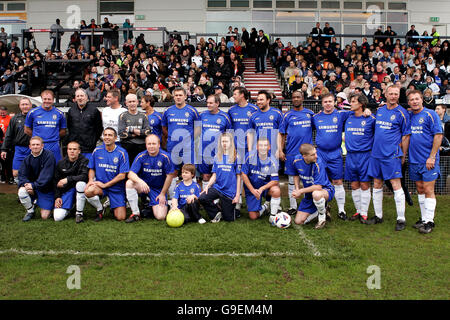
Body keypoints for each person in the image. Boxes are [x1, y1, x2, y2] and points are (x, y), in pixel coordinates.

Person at [367, 85, 410, 231]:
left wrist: (403, 155)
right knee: (377, 183)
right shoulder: (379, 110)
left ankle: (401, 218)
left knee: (396, 184)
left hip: (391, 155)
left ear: (399, 95)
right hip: (376, 154)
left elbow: (406, 136)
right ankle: (378, 216)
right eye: (391, 93)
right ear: (385, 94)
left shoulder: (402, 113)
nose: (393, 96)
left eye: (396, 94)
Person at [312, 93, 355, 220]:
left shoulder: (341, 114)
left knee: (337, 181)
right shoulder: (316, 117)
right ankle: (323, 207)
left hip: (335, 153)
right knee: (321, 182)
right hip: (320, 154)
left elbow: (356, 111)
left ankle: (341, 210)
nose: (328, 104)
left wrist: (367, 110)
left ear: (334, 102)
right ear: (322, 103)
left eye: (330, 101)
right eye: (325, 102)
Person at [407, 90, 443, 234]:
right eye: (411, 100)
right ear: (408, 102)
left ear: (422, 100)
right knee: (420, 189)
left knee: (428, 189)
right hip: (414, 160)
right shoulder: (409, 116)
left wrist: (432, 156)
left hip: (428, 160)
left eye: (417, 99)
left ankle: (430, 221)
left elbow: (438, 135)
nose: (414, 101)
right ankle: (423, 218)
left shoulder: (430, 114)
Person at [277, 90, 315, 215]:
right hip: (292, 153)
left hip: (307, 155)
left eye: (298, 97)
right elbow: (282, 134)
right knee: (292, 181)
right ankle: (293, 206)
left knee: (307, 180)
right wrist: (281, 150)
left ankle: (308, 204)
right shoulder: (287, 115)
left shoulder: (310, 114)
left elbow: (319, 128)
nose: (296, 99)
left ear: (302, 98)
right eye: (294, 97)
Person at [125, 134, 175, 222]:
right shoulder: (141, 156)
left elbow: (169, 176)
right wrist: (140, 181)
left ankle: (166, 204)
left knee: (160, 216)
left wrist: (163, 194)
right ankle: (136, 213)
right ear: (146, 145)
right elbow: (130, 174)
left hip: (158, 189)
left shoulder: (165, 157)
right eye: (149, 144)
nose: (151, 146)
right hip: (144, 187)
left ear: (159, 145)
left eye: (153, 144)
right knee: (129, 183)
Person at [161, 87, 200, 197]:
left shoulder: (192, 111)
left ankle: (193, 198)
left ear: (185, 96)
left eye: (180, 95)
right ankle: (173, 198)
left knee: (190, 173)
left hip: (188, 149)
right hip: (173, 148)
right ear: (173, 97)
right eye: (176, 95)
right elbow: (164, 127)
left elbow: (198, 128)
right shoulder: (168, 111)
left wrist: (192, 140)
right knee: (173, 173)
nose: (178, 97)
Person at [84, 127, 129, 221]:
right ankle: (100, 208)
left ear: (115, 138)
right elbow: (91, 168)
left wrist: (106, 185)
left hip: (116, 188)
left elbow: (122, 175)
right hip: (100, 186)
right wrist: (91, 180)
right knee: (88, 191)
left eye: (110, 135)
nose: (107, 137)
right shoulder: (97, 150)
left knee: (121, 217)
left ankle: (113, 204)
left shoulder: (122, 152)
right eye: (105, 135)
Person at [343, 93, 376, 223]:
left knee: (364, 184)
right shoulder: (348, 117)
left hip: (365, 155)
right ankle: (358, 210)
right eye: (350, 101)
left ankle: (364, 213)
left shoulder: (370, 119)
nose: (351, 103)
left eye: (353, 101)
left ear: (361, 104)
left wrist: (369, 111)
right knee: (354, 184)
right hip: (351, 155)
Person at [199, 132, 241, 223]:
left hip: (229, 192)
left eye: (226, 141)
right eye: (222, 141)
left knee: (228, 219)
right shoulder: (217, 157)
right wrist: (207, 186)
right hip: (218, 188)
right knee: (202, 198)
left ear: (231, 142)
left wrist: (237, 195)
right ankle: (216, 211)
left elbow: (238, 177)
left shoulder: (235, 157)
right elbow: (214, 175)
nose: (224, 143)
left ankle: (233, 210)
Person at [292, 143, 334, 229]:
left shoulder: (319, 163)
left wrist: (300, 191)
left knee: (316, 194)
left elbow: (318, 187)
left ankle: (322, 218)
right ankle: (323, 210)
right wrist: (297, 188)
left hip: (325, 190)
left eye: (315, 153)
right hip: (309, 194)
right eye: (312, 155)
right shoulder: (296, 161)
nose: (316, 156)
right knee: (298, 221)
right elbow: (296, 174)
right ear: (304, 156)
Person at [241, 137, 281, 221]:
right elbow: (243, 175)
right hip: (252, 188)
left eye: (265, 145)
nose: (263, 148)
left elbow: (275, 180)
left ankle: (272, 216)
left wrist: (261, 189)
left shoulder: (273, 161)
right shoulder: (249, 156)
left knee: (276, 190)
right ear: (257, 147)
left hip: (265, 187)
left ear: (269, 147)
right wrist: (252, 190)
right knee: (253, 217)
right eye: (261, 145)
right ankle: (265, 206)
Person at [198, 94, 232, 190]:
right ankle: (206, 198)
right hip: (204, 152)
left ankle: (216, 201)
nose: (208, 105)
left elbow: (229, 135)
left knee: (218, 176)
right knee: (205, 176)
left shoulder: (225, 117)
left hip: (219, 153)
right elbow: (196, 133)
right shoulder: (202, 115)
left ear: (217, 103)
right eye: (207, 103)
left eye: (211, 103)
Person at [18, 136, 56, 222]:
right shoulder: (27, 159)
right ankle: (30, 211)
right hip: (33, 188)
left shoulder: (49, 155)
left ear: (42, 145)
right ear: (29, 146)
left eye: (37, 144)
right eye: (33, 145)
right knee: (21, 191)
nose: (35, 146)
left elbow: (47, 176)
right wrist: (27, 184)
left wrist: (33, 185)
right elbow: (22, 175)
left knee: (45, 216)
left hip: (46, 189)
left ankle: (40, 202)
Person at [24, 90, 66, 163]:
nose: (47, 101)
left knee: (55, 168)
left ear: (53, 100)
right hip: (38, 146)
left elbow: (63, 131)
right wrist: (37, 137)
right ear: (42, 99)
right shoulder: (32, 112)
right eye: (45, 99)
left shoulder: (59, 114)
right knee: (37, 168)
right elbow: (27, 130)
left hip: (54, 145)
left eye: (49, 99)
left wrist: (52, 137)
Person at [53, 141, 89, 223]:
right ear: (67, 150)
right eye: (70, 149)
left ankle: (79, 213)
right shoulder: (60, 163)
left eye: (74, 149)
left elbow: (84, 176)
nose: (72, 151)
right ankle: (70, 209)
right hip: (66, 191)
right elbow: (56, 182)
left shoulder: (84, 161)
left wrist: (68, 179)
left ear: (79, 151)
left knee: (80, 184)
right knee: (57, 217)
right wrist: (57, 197)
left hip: (78, 190)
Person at [65, 88, 103, 161]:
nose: (80, 98)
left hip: (89, 148)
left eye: (82, 96)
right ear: (75, 98)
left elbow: (99, 128)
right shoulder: (71, 110)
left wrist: (92, 141)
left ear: (86, 97)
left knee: (88, 169)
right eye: (78, 96)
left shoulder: (94, 110)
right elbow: (69, 127)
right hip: (75, 147)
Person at [1, 97, 31, 184]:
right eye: (23, 104)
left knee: (32, 172)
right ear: (19, 106)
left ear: (30, 105)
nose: (25, 106)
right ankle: (21, 194)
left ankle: (31, 195)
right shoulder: (14, 119)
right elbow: (9, 135)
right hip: (19, 149)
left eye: (26, 104)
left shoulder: (35, 117)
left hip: (33, 149)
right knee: (16, 173)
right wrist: (4, 149)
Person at [118, 93, 151, 164]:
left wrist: (131, 130)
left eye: (133, 101)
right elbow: (121, 134)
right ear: (126, 103)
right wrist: (138, 134)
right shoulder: (122, 116)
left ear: (137, 102)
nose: (132, 104)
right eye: (130, 102)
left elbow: (147, 132)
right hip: (127, 146)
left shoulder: (143, 115)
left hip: (142, 146)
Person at [0, 106, 11, 183]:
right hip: (0, 142)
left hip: (7, 143)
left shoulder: (10, 118)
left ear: (6, 112)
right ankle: (2, 177)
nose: (2, 113)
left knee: (7, 161)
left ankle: (9, 177)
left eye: (3, 112)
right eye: (1, 112)